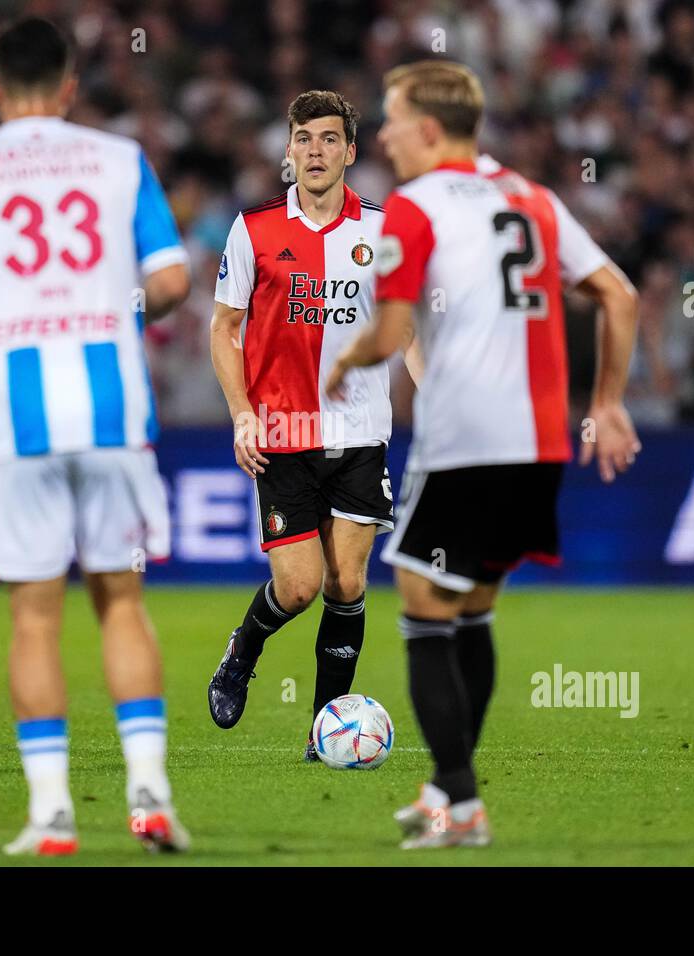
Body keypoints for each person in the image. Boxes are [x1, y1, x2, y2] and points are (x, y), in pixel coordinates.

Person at [325, 60, 640, 849]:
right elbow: (620, 294)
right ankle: (446, 791)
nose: (384, 134)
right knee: (473, 609)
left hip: (463, 440)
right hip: (538, 444)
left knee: (426, 614)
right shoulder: (531, 197)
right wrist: (604, 403)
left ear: (430, 129)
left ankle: (462, 805)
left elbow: (392, 335)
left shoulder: (413, 206)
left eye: (392, 118)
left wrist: (344, 360)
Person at [0, 17, 191, 856]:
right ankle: (149, 799)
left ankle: (51, 816)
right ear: (70, 86)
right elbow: (173, 279)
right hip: (112, 409)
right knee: (122, 604)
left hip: (17, 410)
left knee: (34, 620)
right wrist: (118, 314)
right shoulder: (119, 159)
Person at [207, 90, 415, 760]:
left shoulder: (382, 232)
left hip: (358, 430)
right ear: (289, 152)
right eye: (305, 139)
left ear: (351, 152)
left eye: (330, 139)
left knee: (347, 583)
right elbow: (224, 328)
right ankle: (243, 651)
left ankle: (325, 728)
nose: (316, 151)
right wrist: (241, 413)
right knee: (298, 588)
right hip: (282, 432)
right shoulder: (255, 230)